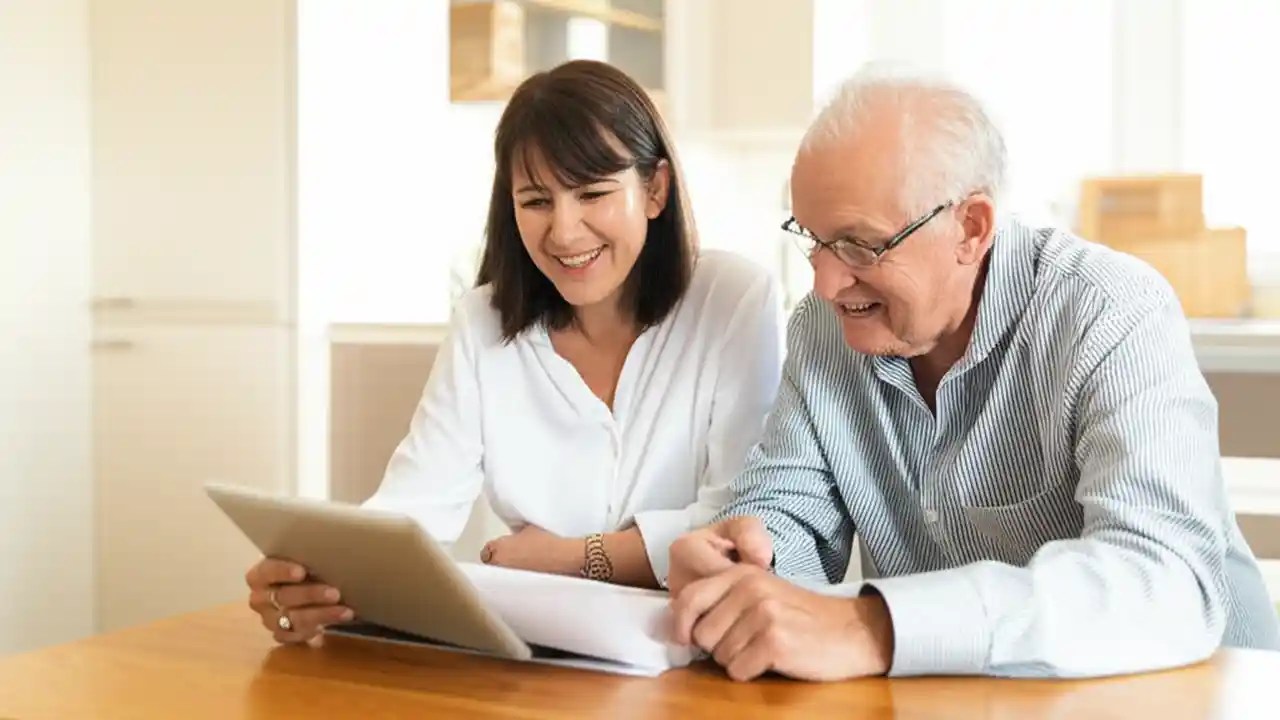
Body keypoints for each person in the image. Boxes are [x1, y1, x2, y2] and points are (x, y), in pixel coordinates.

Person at [666, 64, 1280, 682]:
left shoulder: (1111, 309)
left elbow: (1163, 583)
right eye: (813, 239)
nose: (825, 283)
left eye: (860, 246)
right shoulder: (822, 333)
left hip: (1191, 690)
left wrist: (879, 627)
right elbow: (791, 515)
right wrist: (746, 561)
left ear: (971, 227)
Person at [244, 60, 784, 644]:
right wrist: (324, 581)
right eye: (536, 201)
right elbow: (413, 509)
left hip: (700, 649)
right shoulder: (482, 322)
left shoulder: (735, 300)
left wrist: (575, 557)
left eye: (592, 193)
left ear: (654, 189)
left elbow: (742, 521)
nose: (565, 232)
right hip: (539, 655)